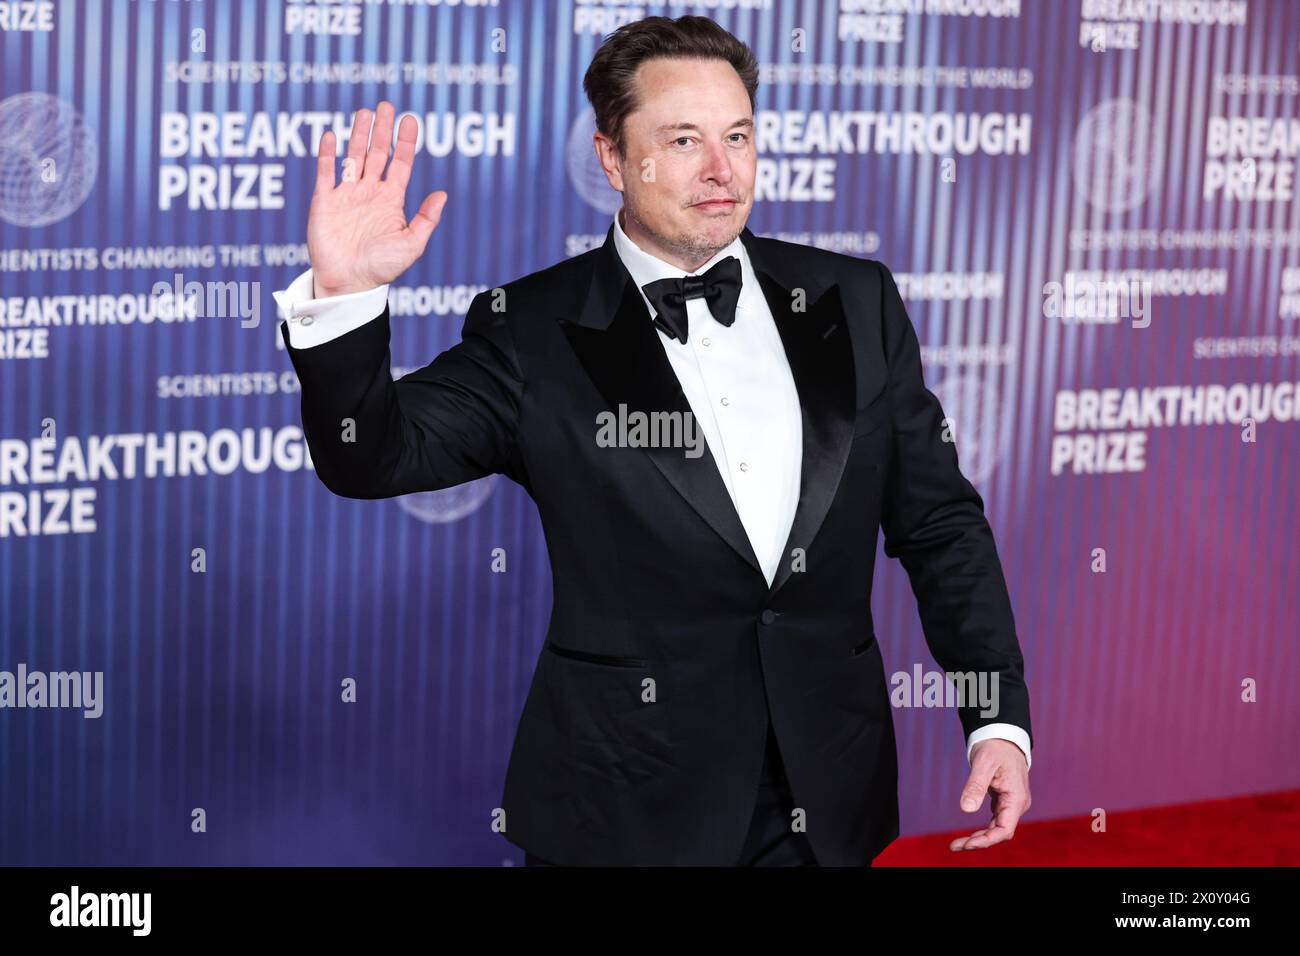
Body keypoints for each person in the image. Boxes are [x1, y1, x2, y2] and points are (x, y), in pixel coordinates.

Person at [271, 15, 1032, 867]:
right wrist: (343, 297)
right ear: (610, 158)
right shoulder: (531, 330)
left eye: (738, 135)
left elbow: (939, 526)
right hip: (623, 807)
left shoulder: (855, 298)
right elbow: (368, 456)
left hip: (826, 793)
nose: (721, 169)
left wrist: (994, 713)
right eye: (682, 140)